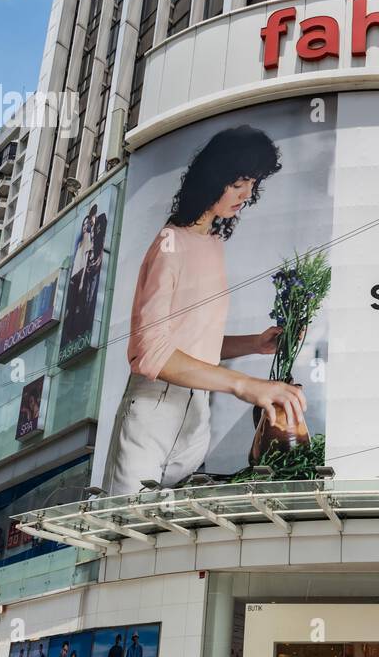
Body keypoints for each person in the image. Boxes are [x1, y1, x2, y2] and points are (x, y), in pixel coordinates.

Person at [103, 126, 304, 494]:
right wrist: (244, 385)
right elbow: (151, 353)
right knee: (127, 534)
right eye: (239, 182)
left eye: (253, 183)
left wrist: (254, 344)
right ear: (214, 177)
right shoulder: (170, 242)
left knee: (173, 539)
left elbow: (193, 339)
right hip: (155, 406)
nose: (247, 194)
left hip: (198, 412)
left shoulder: (211, 244)